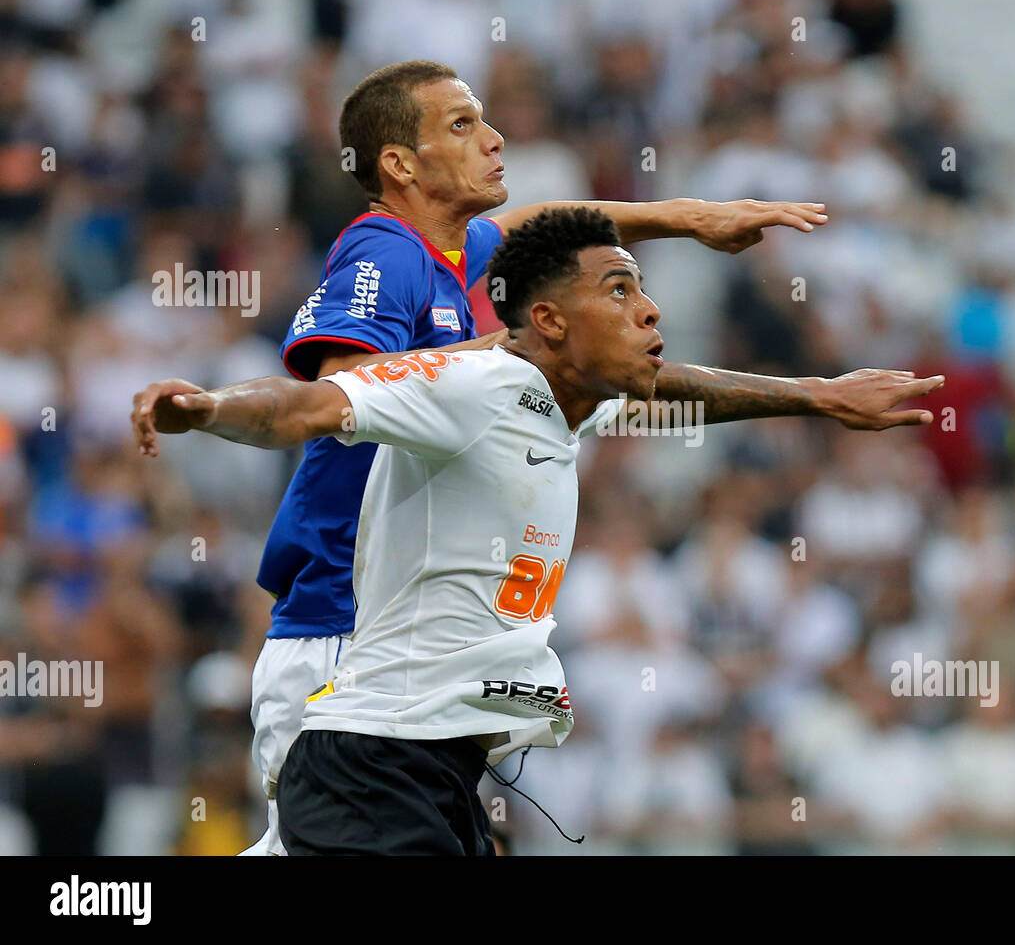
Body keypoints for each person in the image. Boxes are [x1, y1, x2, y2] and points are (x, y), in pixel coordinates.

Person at [131, 207, 943, 854]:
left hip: (433, 768)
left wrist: (819, 396)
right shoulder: (473, 385)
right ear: (549, 321)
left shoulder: (561, 403)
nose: (650, 307)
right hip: (375, 762)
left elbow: (683, 392)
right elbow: (311, 404)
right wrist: (206, 409)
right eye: (620, 290)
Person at [201, 57, 829, 854]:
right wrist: (486, 369)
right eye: (462, 124)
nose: (494, 139)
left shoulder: (470, 252)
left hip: (409, 640)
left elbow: (561, 220)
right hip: (347, 625)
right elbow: (338, 387)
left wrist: (687, 217)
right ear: (399, 164)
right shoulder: (388, 255)